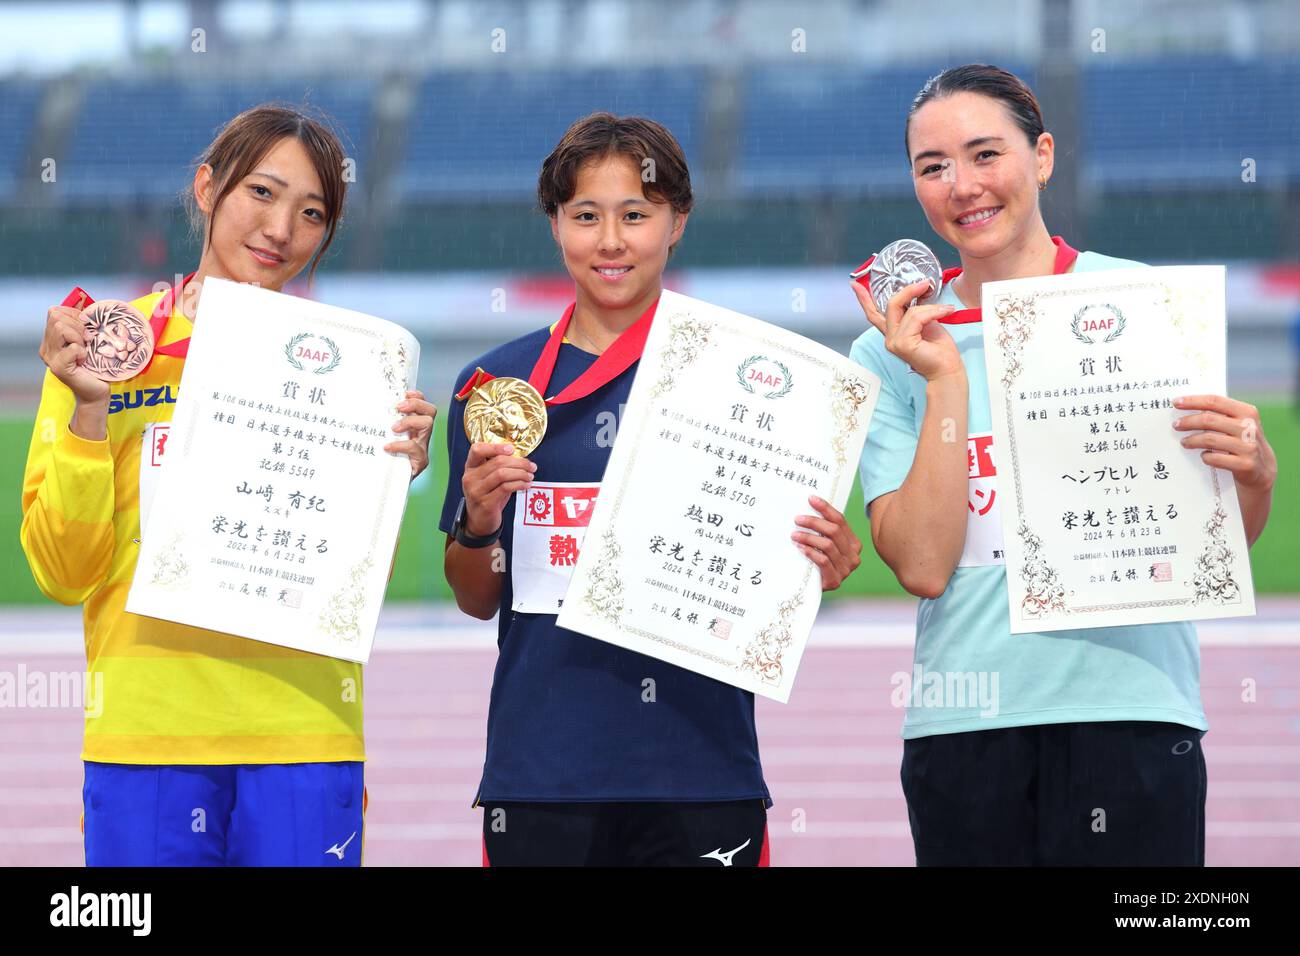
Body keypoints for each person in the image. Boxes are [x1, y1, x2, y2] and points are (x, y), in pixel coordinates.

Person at [848, 64, 1278, 866]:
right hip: (965, 721)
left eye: (986, 154)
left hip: (1137, 710)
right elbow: (921, 565)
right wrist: (942, 377)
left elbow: (1208, 544)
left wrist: (1254, 474)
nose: (963, 185)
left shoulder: (1142, 302)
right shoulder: (889, 347)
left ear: (1042, 156)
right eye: (932, 166)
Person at [440, 112, 863, 866]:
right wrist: (478, 520)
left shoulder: (751, 387)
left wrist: (820, 563)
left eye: (636, 215)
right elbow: (476, 596)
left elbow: (773, 581)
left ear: (678, 222)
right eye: (586, 216)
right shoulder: (493, 389)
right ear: (554, 224)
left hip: (701, 770)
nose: (611, 240)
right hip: (542, 773)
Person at [21, 104, 437, 866]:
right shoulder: (104, 353)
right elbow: (61, 572)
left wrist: (400, 469)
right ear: (208, 187)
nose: (282, 229)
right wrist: (86, 410)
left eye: (312, 212)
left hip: (304, 730)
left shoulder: (353, 375)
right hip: (147, 736)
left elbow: (349, 579)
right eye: (262, 193)